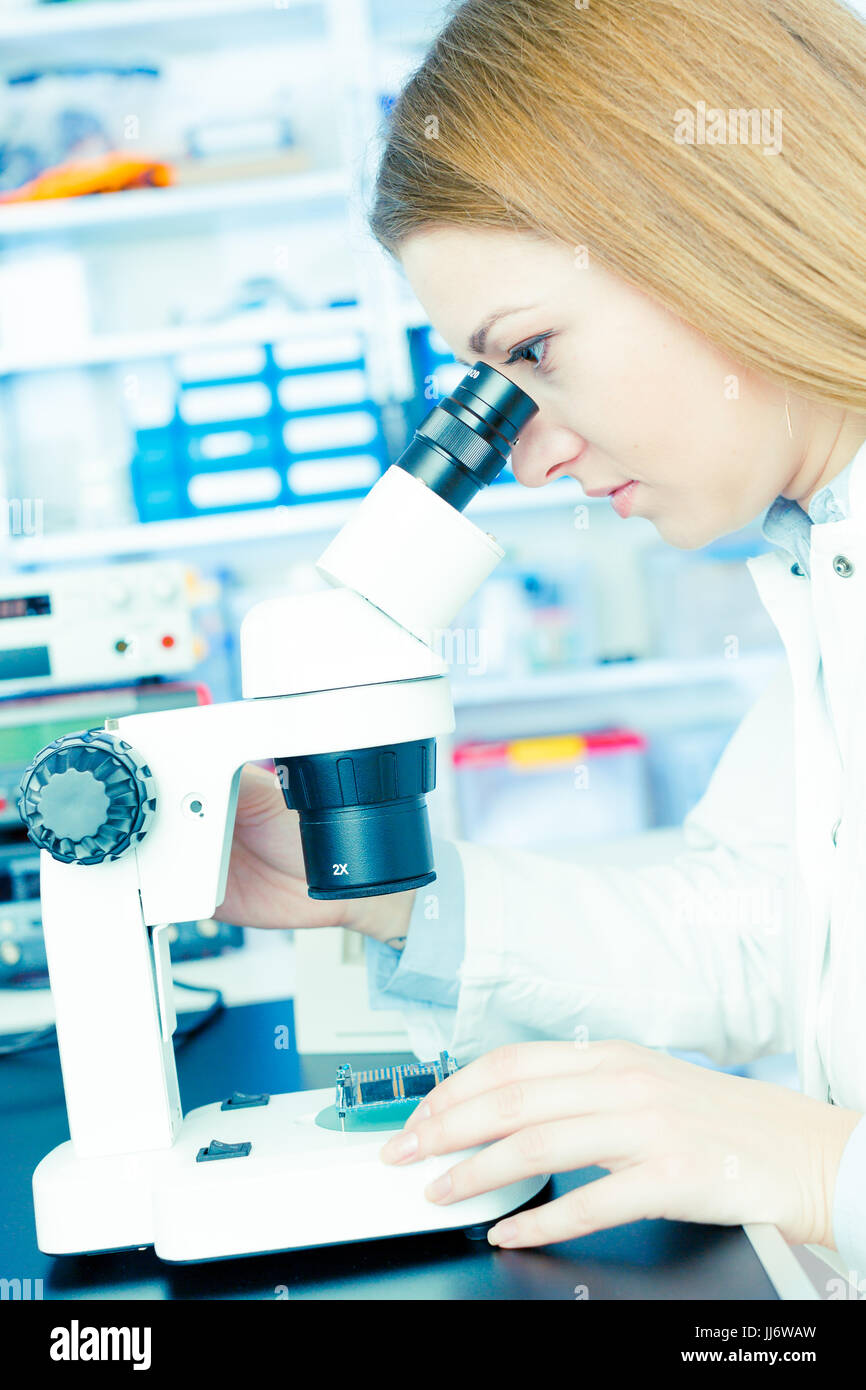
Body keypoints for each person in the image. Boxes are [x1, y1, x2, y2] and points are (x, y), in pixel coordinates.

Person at [216, 0, 866, 1264]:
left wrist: (821, 1166)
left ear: (722, 231)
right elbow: (766, 932)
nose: (525, 452)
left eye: (531, 351)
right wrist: (397, 900)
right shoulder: (823, 554)